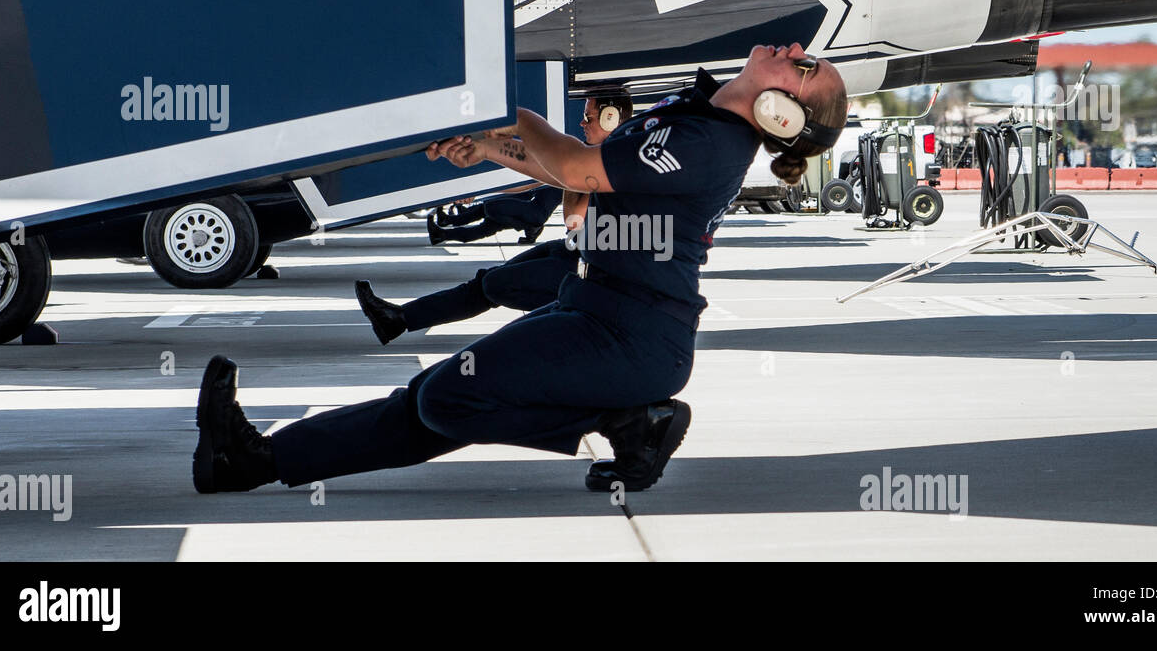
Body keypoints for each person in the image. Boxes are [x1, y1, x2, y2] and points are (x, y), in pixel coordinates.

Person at [192, 43, 847, 495]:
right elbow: (570, 173)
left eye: (804, 66)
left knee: (448, 398)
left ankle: (626, 423)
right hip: (594, 309)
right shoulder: (696, 114)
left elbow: (572, 168)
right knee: (438, 399)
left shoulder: (709, 144)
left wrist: (504, 115)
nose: (792, 50)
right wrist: (486, 144)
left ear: (782, 115)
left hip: (631, 337)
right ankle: (249, 463)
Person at [354, 94, 634, 343]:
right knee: (485, 283)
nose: (583, 123)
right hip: (576, 250)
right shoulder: (595, 158)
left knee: (497, 286)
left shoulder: (616, 162)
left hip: (596, 271)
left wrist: (566, 170)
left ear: (612, 119)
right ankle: (397, 319)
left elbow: (574, 218)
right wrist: (481, 174)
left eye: (590, 117)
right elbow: (534, 176)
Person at [426, 183, 561, 245]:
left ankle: (530, 226)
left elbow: (531, 186)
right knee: (488, 225)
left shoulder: (561, 167)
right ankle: (442, 234)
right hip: (531, 208)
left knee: (491, 208)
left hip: (535, 213)